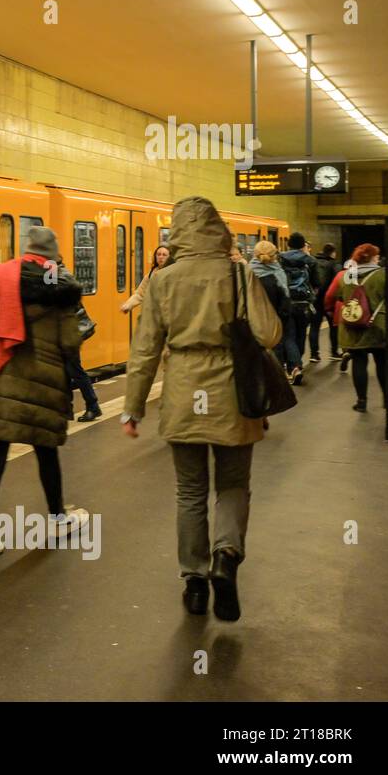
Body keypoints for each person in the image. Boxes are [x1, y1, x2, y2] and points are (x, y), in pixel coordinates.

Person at [122, 197, 282, 622]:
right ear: (219, 230)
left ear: (176, 233)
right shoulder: (237, 272)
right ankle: (225, 558)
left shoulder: (162, 279)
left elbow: (145, 350)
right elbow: (268, 335)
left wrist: (132, 408)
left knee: (189, 491)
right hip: (233, 392)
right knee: (232, 484)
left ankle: (194, 584)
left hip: (183, 389)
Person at [0, 226, 90, 564]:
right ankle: (58, 518)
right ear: (53, 255)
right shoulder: (60, 291)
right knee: (46, 454)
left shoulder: (1, 279)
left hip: (1, 377)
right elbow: (71, 342)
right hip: (42, 384)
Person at [324, 244, 386, 413]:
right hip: (377, 326)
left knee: (359, 362)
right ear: (373, 258)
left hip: (353, 326)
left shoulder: (347, 275)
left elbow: (336, 296)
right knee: (382, 362)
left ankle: (361, 401)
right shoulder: (382, 275)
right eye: (377, 256)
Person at [58, 256, 101, 421]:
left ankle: (93, 406)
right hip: (64, 330)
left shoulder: (59, 273)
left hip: (69, 331)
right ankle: (66, 409)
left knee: (74, 369)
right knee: (64, 370)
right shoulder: (55, 272)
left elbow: (64, 298)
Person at [249, 241, 293, 382]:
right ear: (275, 256)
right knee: (274, 360)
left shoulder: (246, 273)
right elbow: (285, 305)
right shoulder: (277, 275)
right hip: (273, 324)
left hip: (251, 323)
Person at [277, 232, 319, 382]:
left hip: (287, 303)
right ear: (303, 245)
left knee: (289, 336)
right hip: (304, 304)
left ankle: (294, 367)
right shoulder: (311, 261)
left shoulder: (280, 259)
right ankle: (297, 365)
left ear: (288, 244)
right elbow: (317, 283)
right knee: (301, 335)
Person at [120, 245, 172, 313]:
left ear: (170, 257)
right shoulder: (150, 275)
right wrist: (128, 305)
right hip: (155, 314)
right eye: (158, 254)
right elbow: (139, 294)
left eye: (164, 255)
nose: (160, 257)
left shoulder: (175, 273)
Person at [311, 243, 340, 362]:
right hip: (329, 301)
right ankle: (334, 352)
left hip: (315, 300)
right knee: (334, 327)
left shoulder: (313, 262)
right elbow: (337, 284)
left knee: (314, 327)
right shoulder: (334, 265)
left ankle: (314, 354)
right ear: (333, 252)